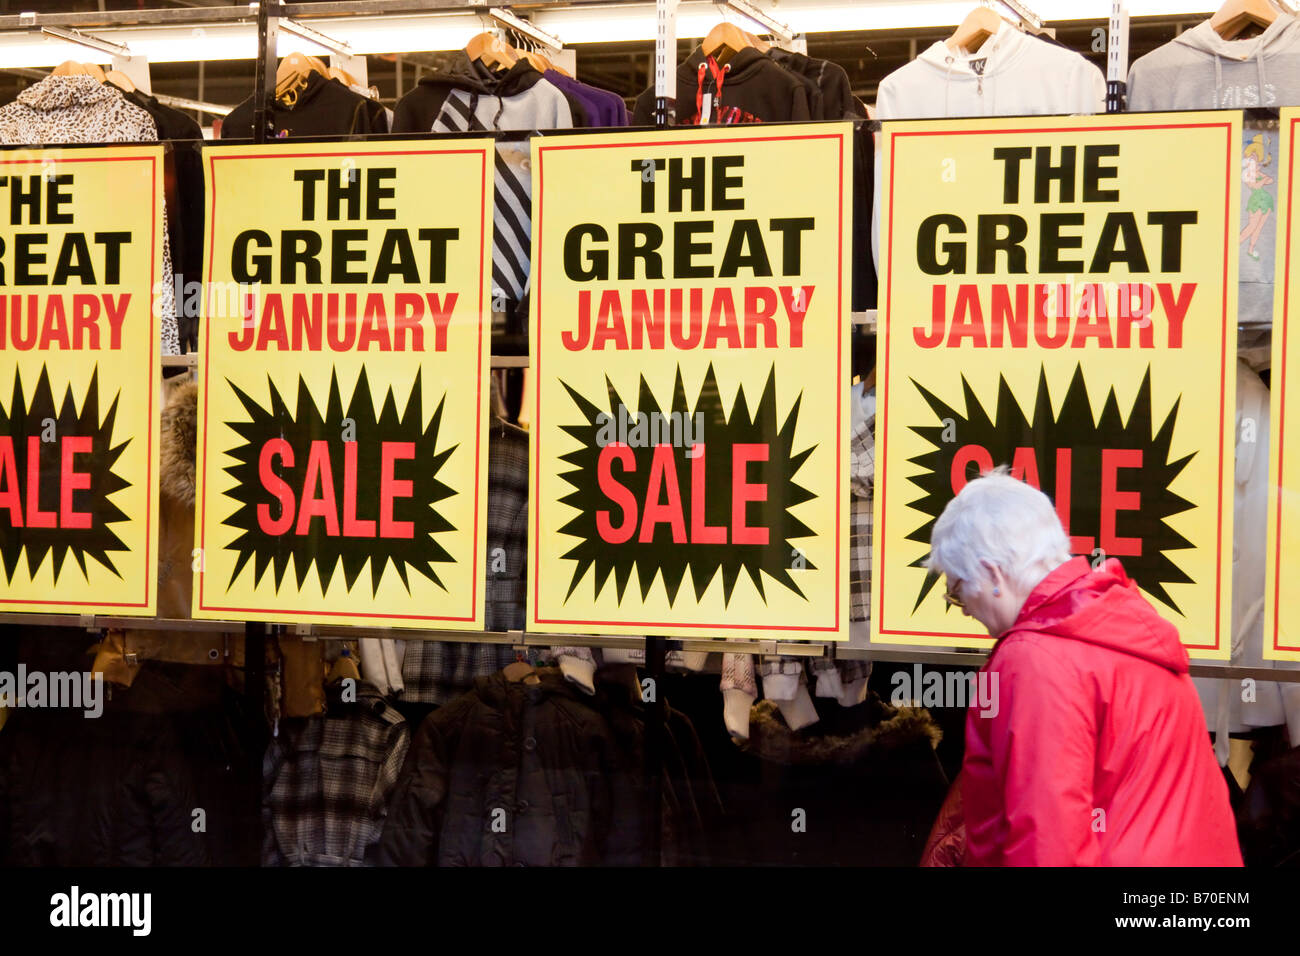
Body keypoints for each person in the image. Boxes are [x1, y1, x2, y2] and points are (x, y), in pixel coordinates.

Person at [922, 467, 1241, 866]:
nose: (965, 608)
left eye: (957, 589)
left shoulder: (1033, 658)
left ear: (991, 573)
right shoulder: (1127, 625)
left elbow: (1047, 843)